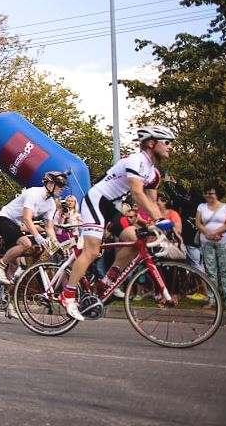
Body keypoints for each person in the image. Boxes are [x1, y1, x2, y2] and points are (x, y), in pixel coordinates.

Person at [60, 126, 174, 321]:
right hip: (96, 201)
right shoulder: (136, 160)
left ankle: (107, 281)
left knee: (136, 238)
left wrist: (157, 223)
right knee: (92, 251)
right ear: (151, 143)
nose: (170, 147)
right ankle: (68, 294)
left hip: (112, 206)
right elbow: (137, 193)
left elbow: (151, 202)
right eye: (167, 142)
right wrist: (159, 219)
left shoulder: (154, 173)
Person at [0, 172, 66, 286]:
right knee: (26, 243)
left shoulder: (51, 204)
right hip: (4, 219)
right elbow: (26, 218)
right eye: (60, 185)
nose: (62, 189)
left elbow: (49, 227)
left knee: (19, 260)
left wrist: (55, 243)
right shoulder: (33, 193)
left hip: (16, 224)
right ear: (50, 184)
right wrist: (37, 236)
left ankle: (6, 297)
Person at [196, 184, 226, 310]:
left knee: (225, 272)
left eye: (211, 193)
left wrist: (215, 233)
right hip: (206, 242)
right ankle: (212, 300)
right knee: (211, 272)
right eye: (206, 193)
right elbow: (198, 223)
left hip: (224, 242)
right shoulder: (201, 207)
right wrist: (208, 233)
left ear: (217, 194)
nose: (208, 195)